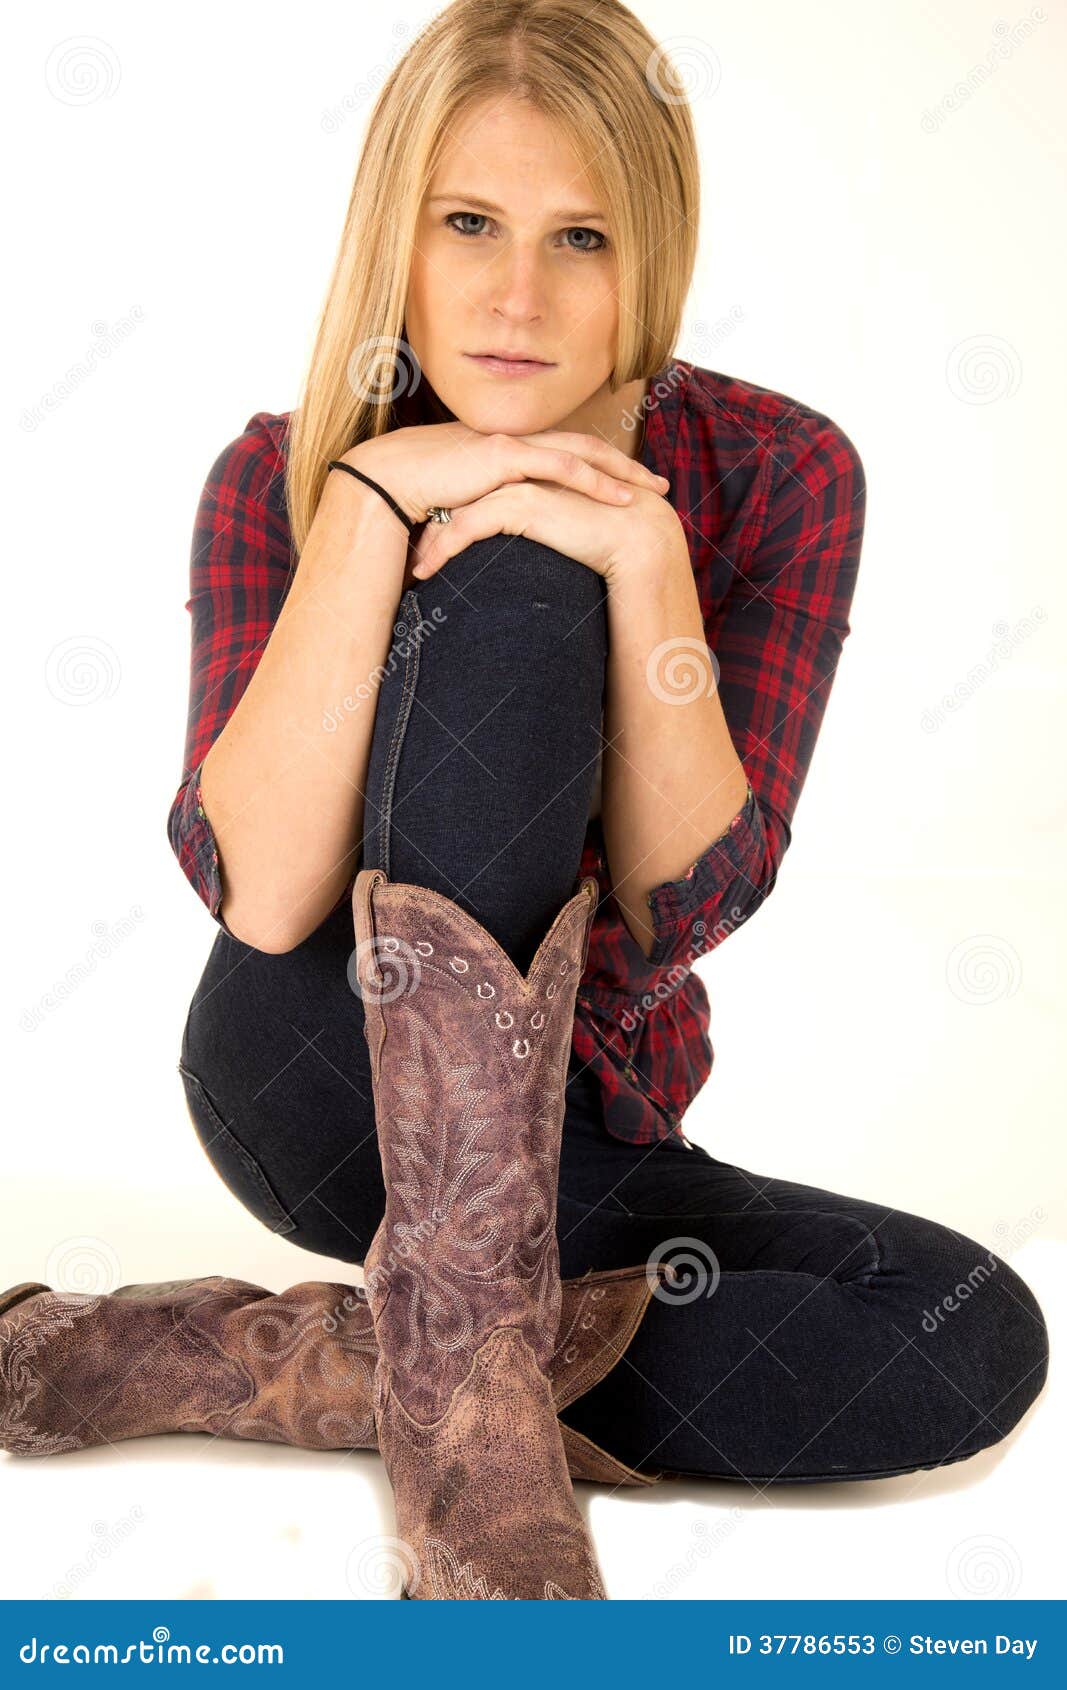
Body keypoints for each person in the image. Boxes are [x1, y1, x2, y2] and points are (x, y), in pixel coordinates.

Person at [1, 0, 1047, 1602]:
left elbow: (689, 900)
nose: (517, 295)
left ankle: (280, 1357)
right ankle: (471, 1453)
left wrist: (642, 552)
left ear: (653, 259)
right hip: (317, 1068)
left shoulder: (782, 471)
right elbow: (263, 891)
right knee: (511, 595)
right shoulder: (277, 474)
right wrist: (372, 504)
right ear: (397, 237)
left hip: (587, 1124)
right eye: (470, 224)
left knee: (962, 1334)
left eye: (583, 238)